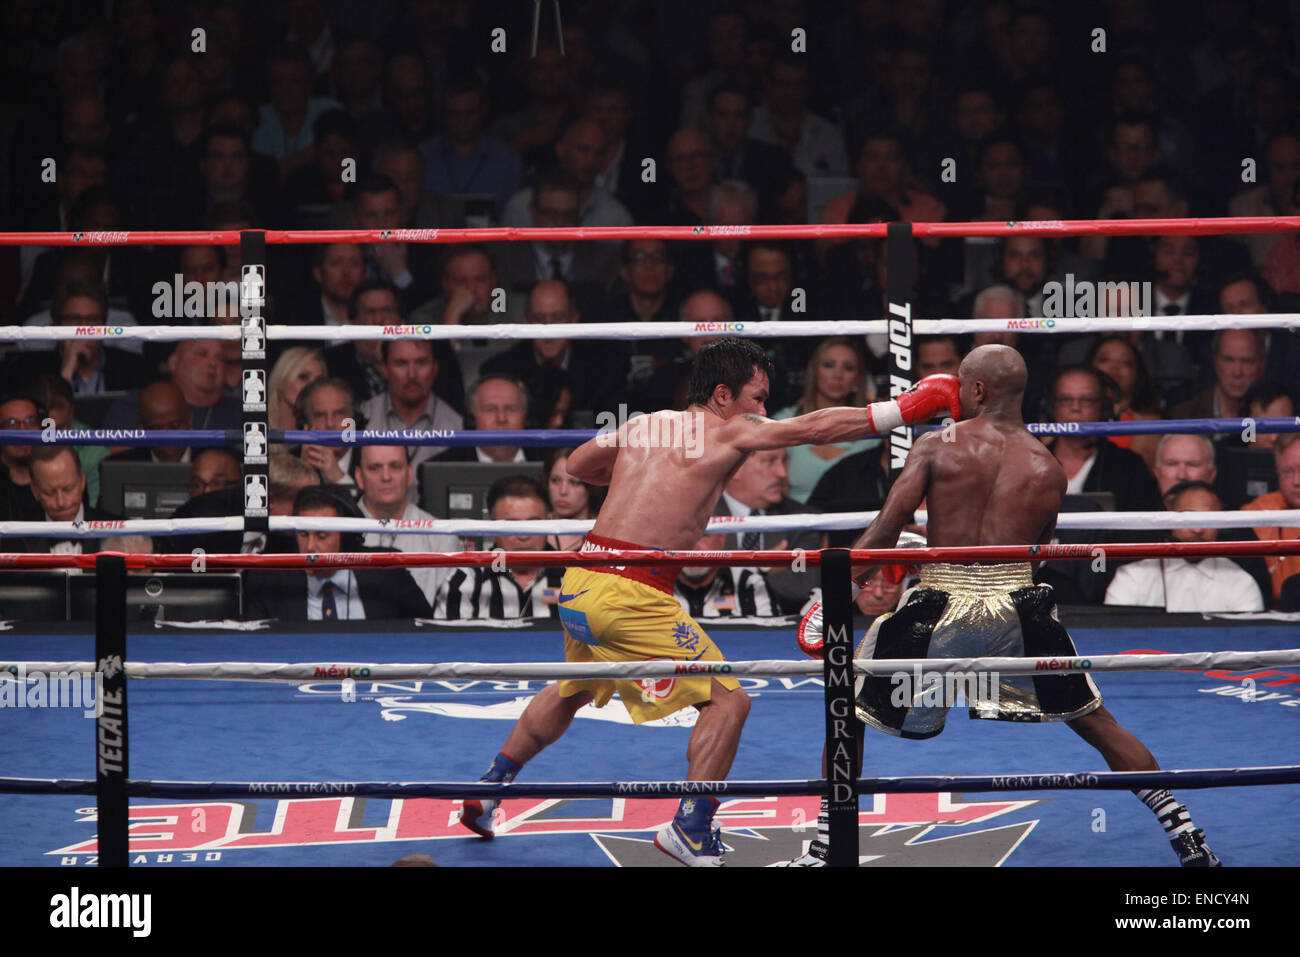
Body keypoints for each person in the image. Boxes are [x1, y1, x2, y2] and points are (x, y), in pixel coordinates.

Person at [458, 337, 960, 865]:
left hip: (580, 581)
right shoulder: (730, 430)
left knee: (575, 687)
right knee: (729, 700)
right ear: (723, 395)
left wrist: (642, 466)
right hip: (631, 590)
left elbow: (581, 464)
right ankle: (690, 827)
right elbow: (814, 427)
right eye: (758, 398)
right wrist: (905, 409)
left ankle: (490, 788)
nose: (763, 413)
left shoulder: (644, 424)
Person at [786, 344, 1219, 867]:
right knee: (1092, 718)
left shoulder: (937, 445)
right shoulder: (1048, 466)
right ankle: (1183, 829)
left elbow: (884, 530)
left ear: (976, 391)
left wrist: (831, 591)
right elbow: (1037, 552)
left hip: (939, 603)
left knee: (848, 710)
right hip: (1017, 604)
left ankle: (824, 849)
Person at [242, 486, 430, 621]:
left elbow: (426, 632)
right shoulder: (269, 581)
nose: (310, 547)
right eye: (303, 534)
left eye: (322, 536)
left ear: (347, 538)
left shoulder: (387, 568)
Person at [1104, 481, 1264, 612]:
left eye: (1209, 520)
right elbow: (1115, 635)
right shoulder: (1133, 577)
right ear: (1169, 521)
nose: (1198, 530)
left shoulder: (1241, 582)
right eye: (1190, 517)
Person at [435, 476, 564, 620]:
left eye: (533, 524)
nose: (523, 536)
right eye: (511, 526)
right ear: (493, 530)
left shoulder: (572, 576)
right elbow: (448, 641)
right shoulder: (464, 581)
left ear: (549, 524)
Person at [773, 337, 880, 503]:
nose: (837, 375)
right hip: (793, 524)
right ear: (814, 371)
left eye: (848, 368)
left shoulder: (872, 430)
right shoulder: (784, 422)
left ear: (858, 378)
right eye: (829, 365)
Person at [353, 444, 460, 608]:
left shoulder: (442, 536)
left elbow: (446, 612)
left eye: (395, 467)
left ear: (409, 474)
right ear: (359, 477)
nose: (386, 476)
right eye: (375, 468)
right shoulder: (338, 531)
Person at [542, 448, 604, 553]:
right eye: (555, 480)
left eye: (575, 482)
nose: (563, 491)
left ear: (591, 486)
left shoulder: (604, 532)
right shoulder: (533, 528)